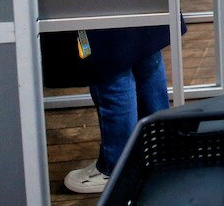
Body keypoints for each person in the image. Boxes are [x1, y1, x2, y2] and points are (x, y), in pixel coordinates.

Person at [43, 27, 174, 193]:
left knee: (109, 62)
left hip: (98, 6)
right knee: (145, 50)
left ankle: (115, 167)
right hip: (137, 2)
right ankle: (158, 149)